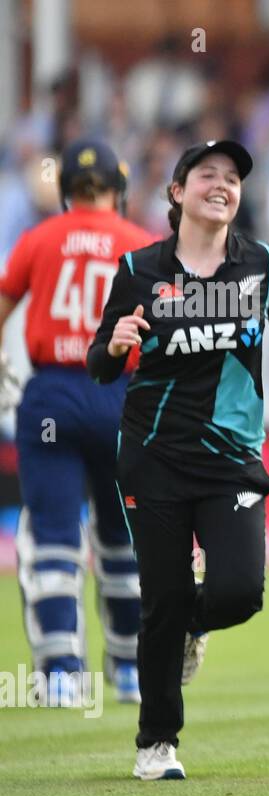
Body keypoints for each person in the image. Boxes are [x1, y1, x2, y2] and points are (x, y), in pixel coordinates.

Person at [86, 140, 269, 780]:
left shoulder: (261, 264)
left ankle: (193, 624)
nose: (223, 185)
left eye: (233, 177)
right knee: (162, 596)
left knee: (238, 592)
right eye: (207, 174)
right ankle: (156, 743)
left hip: (231, 455)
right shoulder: (138, 269)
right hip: (152, 455)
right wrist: (118, 342)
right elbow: (100, 363)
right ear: (177, 193)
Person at [0, 139, 154, 707]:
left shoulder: (38, 238)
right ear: (119, 186)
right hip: (119, 396)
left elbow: (3, 304)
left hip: (53, 396)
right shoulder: (139, 244)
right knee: (124, 538)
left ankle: (63, 673)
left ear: (65, 188)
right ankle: (132, 670)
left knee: (54, 535)